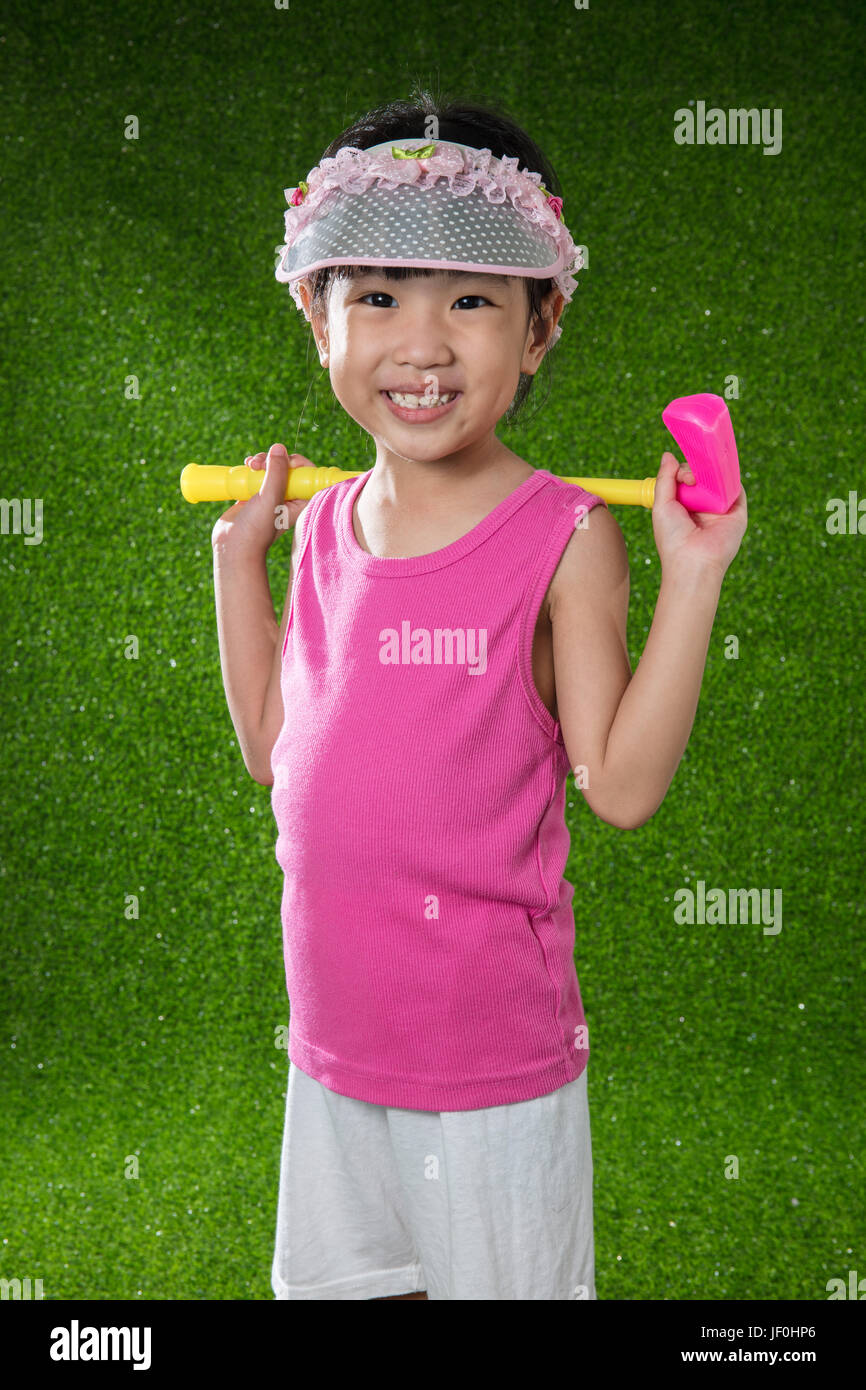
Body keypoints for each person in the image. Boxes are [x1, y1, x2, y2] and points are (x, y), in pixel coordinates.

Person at [210, 89, 748, 1301]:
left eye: (469, 299)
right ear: (317, 316)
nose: (420, 343)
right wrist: (236, 566)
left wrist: (695, 574)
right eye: (377, 296)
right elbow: (272, 752)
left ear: (538, 327)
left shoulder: (562, 536)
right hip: (334, 1059)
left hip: (491, 1075)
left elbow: (616, 788)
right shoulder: (324, 525)